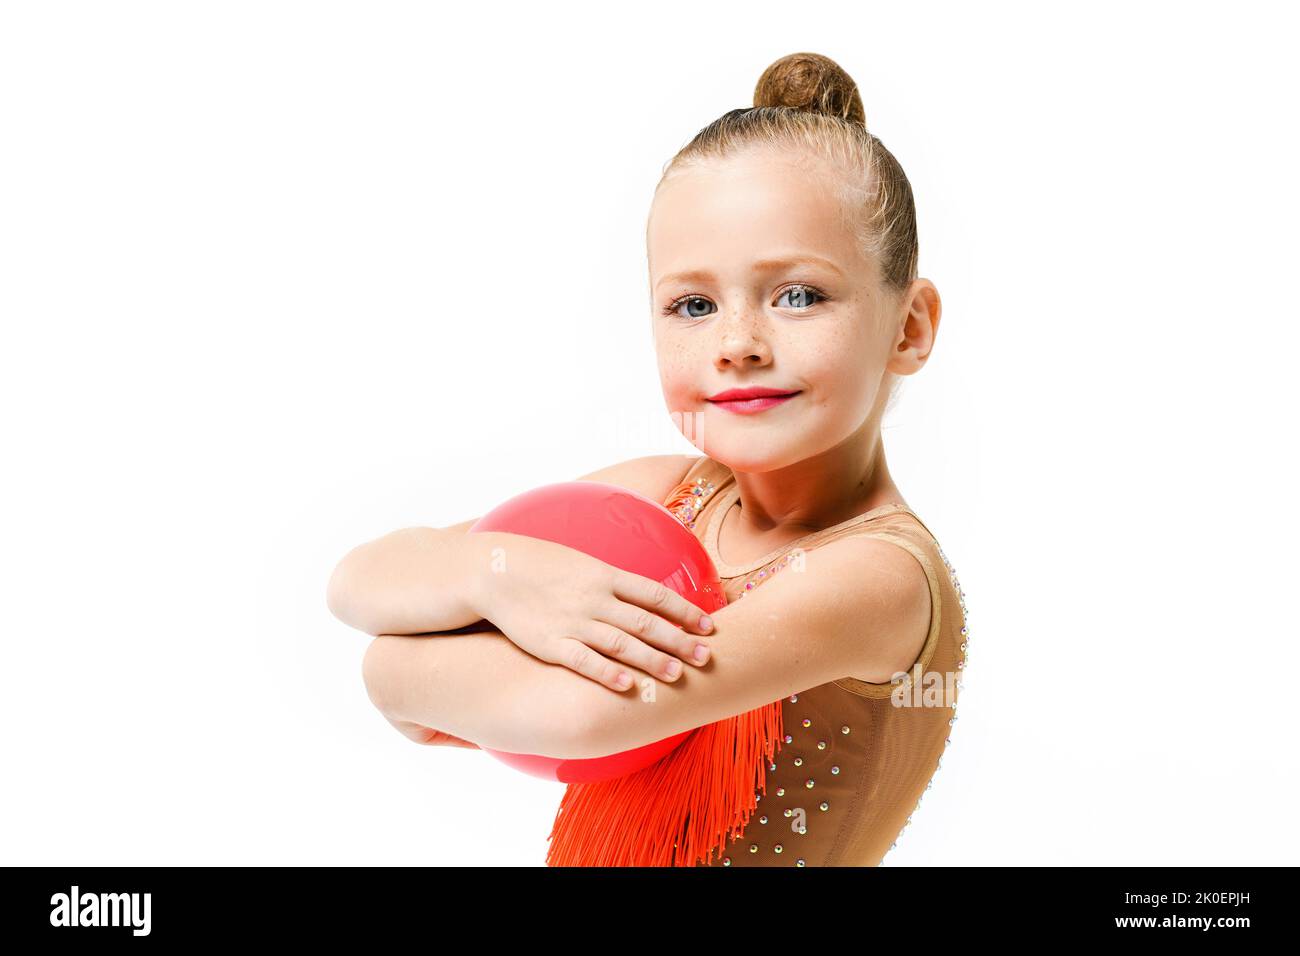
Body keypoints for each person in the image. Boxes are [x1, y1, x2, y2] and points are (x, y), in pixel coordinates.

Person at [326, 51, 969, 866]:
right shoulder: (672, 494)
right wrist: (498, 576)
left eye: (798, 294)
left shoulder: (877, 576)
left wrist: (396, 668)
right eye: (692, 304)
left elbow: (580, 715)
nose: (737, 344)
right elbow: (362, 579)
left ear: (909, 327)